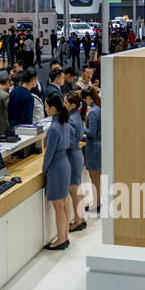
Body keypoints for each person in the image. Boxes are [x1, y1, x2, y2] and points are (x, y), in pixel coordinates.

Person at [42, 93, 71, 251]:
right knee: (65, 203)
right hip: (65, 163)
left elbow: (49, 153)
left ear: (53, 108)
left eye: (46, 107)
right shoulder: (64, 121)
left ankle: (60, 239)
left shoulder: (53, 127)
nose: (46, 109)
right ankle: (65, 236)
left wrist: (44, 169)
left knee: (58, 207)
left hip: (56, 167)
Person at [64, 89, 87, 231]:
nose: (63, 104)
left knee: (74, 191)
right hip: (77, 154)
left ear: (72, 105)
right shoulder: (77, 115)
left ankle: (78, 221)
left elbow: (70, 142)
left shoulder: (71, 119)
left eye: (65, 102)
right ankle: (81, 218)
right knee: (78, 190)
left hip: (72, 156)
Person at [82, 86, 102, 213]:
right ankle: (97, 202)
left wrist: (81, 130)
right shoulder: (99, 108)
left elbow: (92, 132)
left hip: (94, 147)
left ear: (88, 98)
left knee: (94, 177)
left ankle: (96, 203)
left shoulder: (93, 112)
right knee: (97, 177)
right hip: (98, 146)